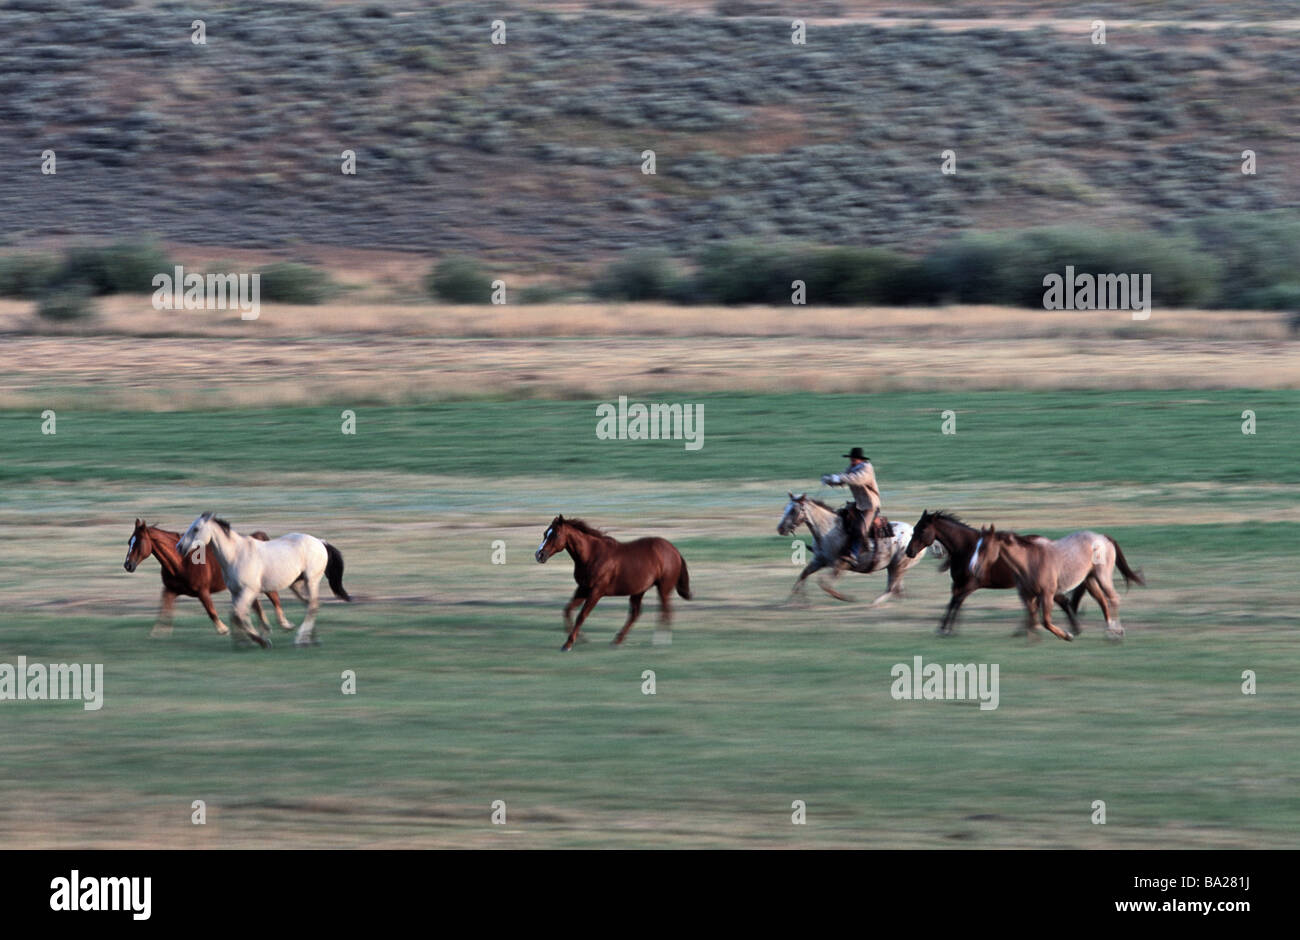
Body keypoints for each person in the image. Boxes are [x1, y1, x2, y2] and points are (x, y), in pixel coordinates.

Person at [821, 447, 881, 564]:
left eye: (854, 459)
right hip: (859, 504)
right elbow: (842, 478)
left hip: (870, 505)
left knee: (861, 529)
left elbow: (857, 479)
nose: (852, 461)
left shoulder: (867, 469)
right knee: (840, 519)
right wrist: (830, 480)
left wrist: (840, 477)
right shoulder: (851, 468)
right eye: (851, 459)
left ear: (860, 459)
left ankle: (855, 552)